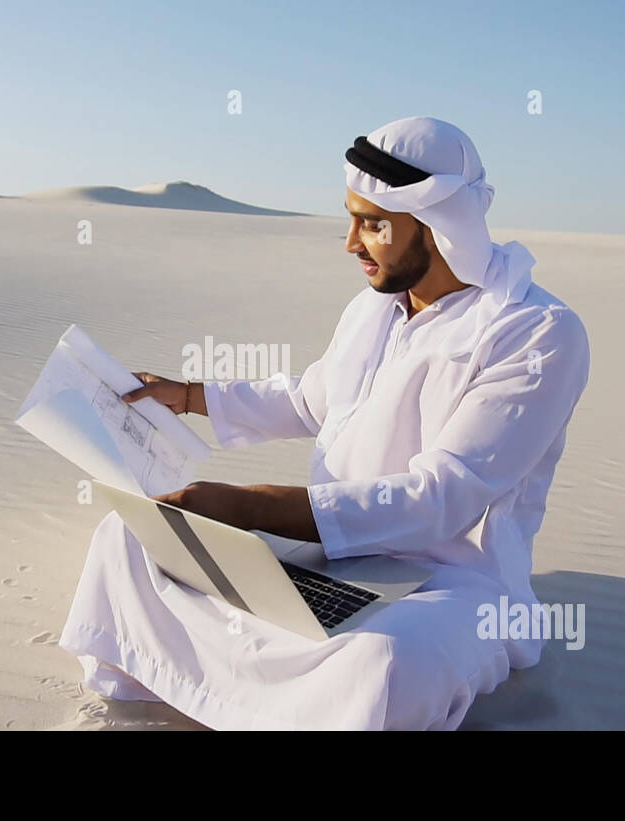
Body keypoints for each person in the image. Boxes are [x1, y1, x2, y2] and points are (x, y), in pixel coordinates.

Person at [57, 116, 590, 730]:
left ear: (438, 223)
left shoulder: (536, 332)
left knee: (384, 662)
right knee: (129, 539)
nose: (351, 243)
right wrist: (187, 396)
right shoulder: (376, 307)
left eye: (373, 224)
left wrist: (253, 506)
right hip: (328, 553)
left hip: (449, 585)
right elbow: (314, 398)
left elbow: (441, 498)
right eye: (351, 218)